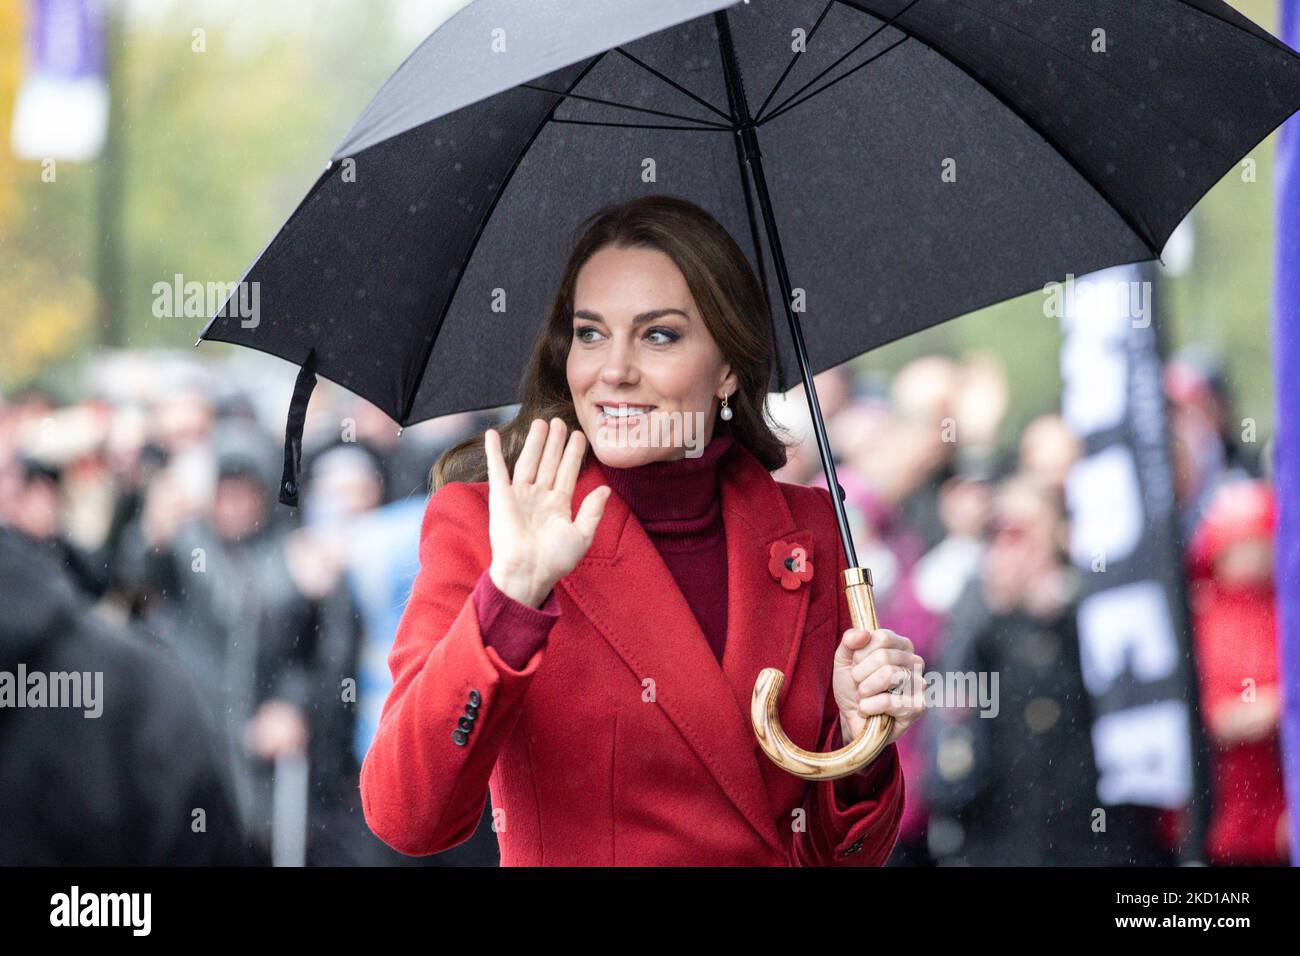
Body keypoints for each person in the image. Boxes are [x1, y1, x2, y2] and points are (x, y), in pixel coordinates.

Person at [360, 194, 924, 866]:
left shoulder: (809, 532)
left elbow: (839, 856)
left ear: (728, 368)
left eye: (658, 335)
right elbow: (406, 815)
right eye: (591, 333)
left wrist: (861, 746)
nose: (613, 370)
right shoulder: (485, 525)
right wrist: (511, 595)